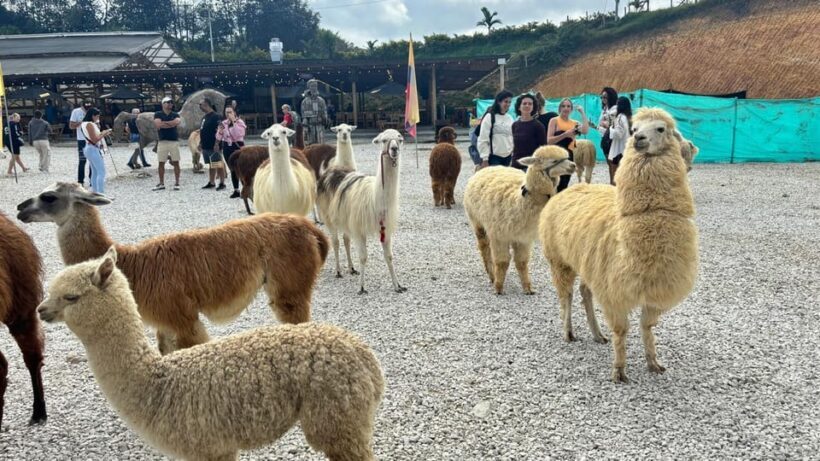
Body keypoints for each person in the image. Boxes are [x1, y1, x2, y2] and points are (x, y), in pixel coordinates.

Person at [547, 98, 589, 192]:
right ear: (560, 108)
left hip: (569, 156)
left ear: (571, 109)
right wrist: (565, 134)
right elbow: (549, 141)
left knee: (564, 183)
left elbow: (585, 130)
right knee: (554, 184)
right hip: (556, 157)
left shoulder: (574, 123)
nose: (566, 108)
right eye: (563, 106)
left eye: (568, 106)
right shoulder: (554, 121)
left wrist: (582, 113)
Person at [477, 90, 515, 168]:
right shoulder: (489, 117)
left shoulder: (510, 118)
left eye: (509, 102)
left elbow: (512, 137)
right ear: (499, 102)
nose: (508, 104)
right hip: (494, 158)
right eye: (505, 101)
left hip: (508, 157)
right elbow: (483, 138)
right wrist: (485, 159)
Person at [511, 94, 548, 171]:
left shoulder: (538, 126)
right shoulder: (515, 125)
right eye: (524, 103)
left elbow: (543, 148)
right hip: (515, 166)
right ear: (519, 107)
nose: (527, 105)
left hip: (531, 167)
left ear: (533, 107)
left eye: (530, 104)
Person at [216, 105, 246, 198]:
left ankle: (245, 188)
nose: (228, 114)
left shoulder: (240, 122)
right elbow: (218, 137)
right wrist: (220, 131)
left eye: (230, 112)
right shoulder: (224, 123)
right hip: (227, 146)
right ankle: (236, 190)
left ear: (234, 113)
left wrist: (234, 122)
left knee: (240, 168)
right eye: (226, 112)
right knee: (232, 169)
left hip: (237, 145)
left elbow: (238, 134)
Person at [153, 96, 182, 191]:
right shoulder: (158, 114)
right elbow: (158, 124)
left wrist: (164, 123)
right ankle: (161, 183)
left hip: (174, 141)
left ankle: (177, 183)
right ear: (163, 104)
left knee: (176, 162)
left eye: (171, 102)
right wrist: (171, 123)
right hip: (162, 141)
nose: (170, 104)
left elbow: (176, 122)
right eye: (168, 102)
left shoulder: (175, 114)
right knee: (161, 162)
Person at [80, 108, 112, 194]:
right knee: (101, 172)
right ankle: (101, 193)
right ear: (92, 116)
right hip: (93, 148)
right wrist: (103, 133)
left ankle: (95, 191)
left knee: (95, 172)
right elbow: (94, 140)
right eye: (97, 116)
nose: (98, 118)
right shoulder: (89, 124)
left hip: (90, 148)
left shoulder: (84, 124)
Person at [199, 98, 225, 190]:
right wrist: (200, 142)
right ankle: (211, 182)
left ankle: (222, 182)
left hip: (214, 145)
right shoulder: (204, 117)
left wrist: (217, 143)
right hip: (205, 145)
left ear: (206, 104)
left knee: (218, 164)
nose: (200, 107)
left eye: (200, 104)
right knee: (211, 164)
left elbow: (221, 130)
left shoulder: (217, 116)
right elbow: (202, 130)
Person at [607, 96, 632, 185]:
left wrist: (610, 128)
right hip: (625, 148)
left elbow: (618, 134)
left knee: (616, 174)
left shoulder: (620, 117)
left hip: (619, 150)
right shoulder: (628, 117)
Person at [597, 87, 619, 185]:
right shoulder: (605, 109)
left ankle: (615, 185)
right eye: (602, 97)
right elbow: (601, 124)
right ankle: (612, 184)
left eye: (605, 97)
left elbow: (614, 124)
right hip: (605, 138)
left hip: (612, 139)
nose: (603, 99)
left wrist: (605, 124)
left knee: (614, 164)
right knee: (610, 164)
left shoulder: (615, 109)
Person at [69, 99, 93, 185]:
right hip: (81, 139)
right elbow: (71, 126)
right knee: (82, 161)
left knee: (92, 161)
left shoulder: (93, 111)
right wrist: (81, 122)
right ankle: (80, 181)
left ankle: (92, 180)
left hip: (92, 139)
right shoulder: (76, 112)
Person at [301, 79, 328, 145]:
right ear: (309, 87)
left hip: (319, 125)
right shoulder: (305, 101)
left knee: (320, 144)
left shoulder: (321, 100)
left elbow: (324, 111)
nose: (314, 88)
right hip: (310, 125)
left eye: (315, 86)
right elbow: (303, 114)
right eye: (312, 86)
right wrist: (305, 123)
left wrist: (325, 119)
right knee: (310, 144)